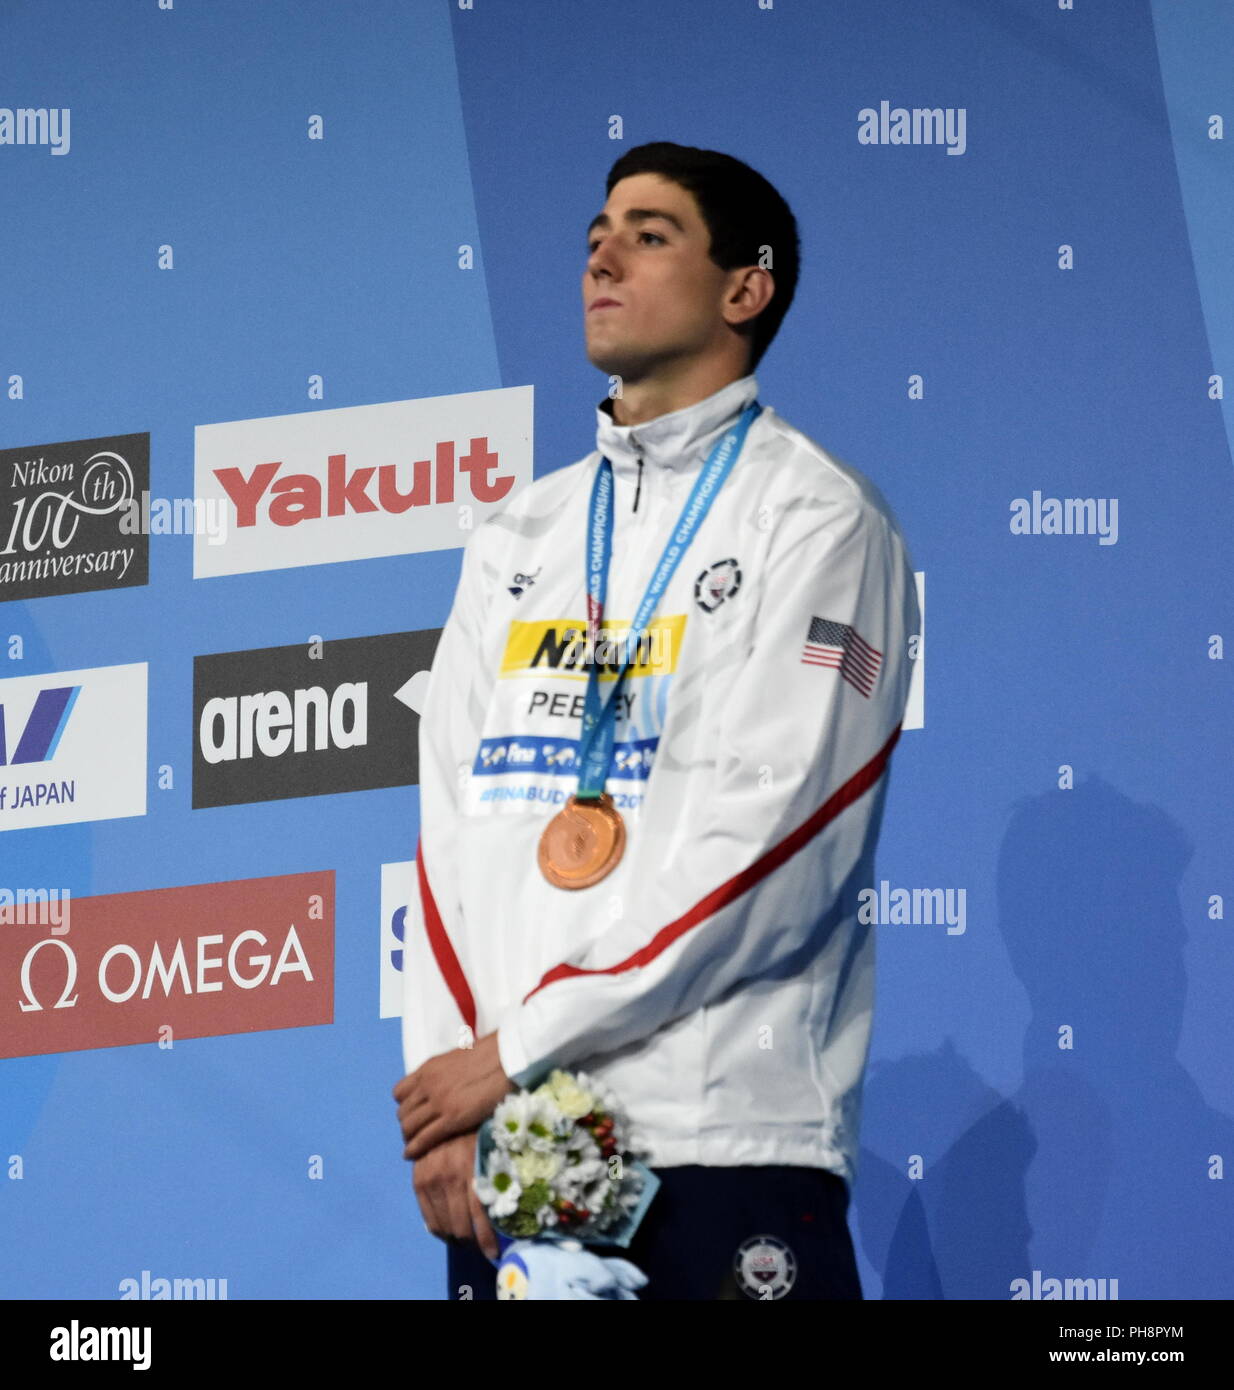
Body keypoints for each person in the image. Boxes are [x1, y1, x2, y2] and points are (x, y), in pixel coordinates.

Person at [392, 140, 920, 1301]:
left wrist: (516, 1049)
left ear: (746, 289)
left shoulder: (822, 521)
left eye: (649, 232)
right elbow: (448, 836)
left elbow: (782, 840)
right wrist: (441, 1096)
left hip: (720, 1136)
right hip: (515, 1157)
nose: (601, 254)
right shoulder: (516, 537)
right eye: (594, 234)